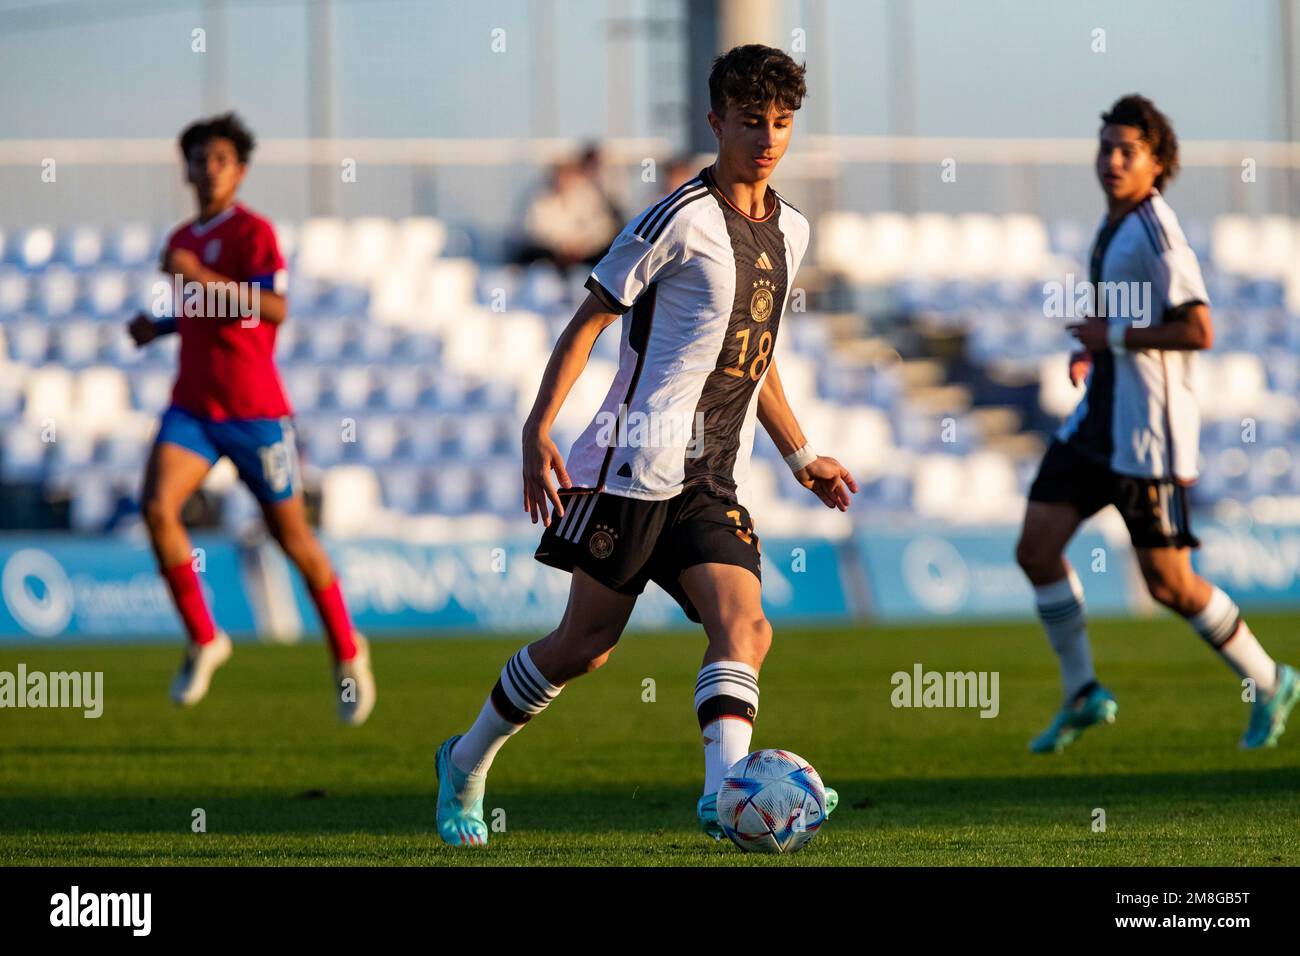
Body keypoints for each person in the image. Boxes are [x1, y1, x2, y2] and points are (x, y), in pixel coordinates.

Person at [434, 44, 857, 846]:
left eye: (781, 123)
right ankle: (464, 761)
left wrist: (803, 457)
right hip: (632, 466)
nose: (767, 139)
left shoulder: (791, 230)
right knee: (584, 648)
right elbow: (588, 322)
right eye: (750, 122)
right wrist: (536, 430)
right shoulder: (677, 219)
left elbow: (753, 356)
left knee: (746, 627)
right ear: (715, 122)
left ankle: (724, 795)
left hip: (710, 477)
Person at [1016, 94, 1297, 753]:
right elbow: (1129, 325)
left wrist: (1110, 335)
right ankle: (1083, 690)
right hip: (1097, 423)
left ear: (1157, 162)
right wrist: (1096, 351)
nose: (1112, 160)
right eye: (1106, 147)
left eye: (1127, 151)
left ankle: (1269, 678)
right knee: (1034, 549)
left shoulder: (1158, 232)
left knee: (1169, 584)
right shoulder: (1114, 225)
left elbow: (1199, 329)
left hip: (1147, 437)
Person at [127, 113, 376, 725]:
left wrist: (198, 277)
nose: (207, 169)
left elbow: (272, 308)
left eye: (219, 159)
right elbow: (204, 314)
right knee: (158, 508)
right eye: (197, 159)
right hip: (193, 407)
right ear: (185, 168)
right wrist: (158, 326)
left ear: (238, 170)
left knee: (294, 539)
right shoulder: (185, 237)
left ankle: (348, 653)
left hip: (256, 413)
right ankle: (205, 637)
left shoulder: (252, 232)